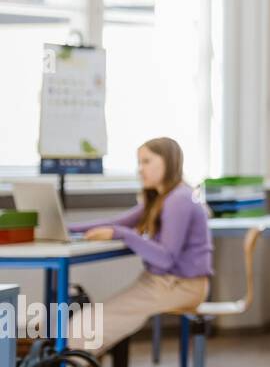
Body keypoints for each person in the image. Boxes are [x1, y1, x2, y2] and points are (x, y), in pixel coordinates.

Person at [68, 137, 211, 355]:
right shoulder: (162, 197)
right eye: (139, 162)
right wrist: (67, 229)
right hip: (161, 283)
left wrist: (122, 234)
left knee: (82, 327)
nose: (140, 169)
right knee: (84, 325)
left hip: (179, 286)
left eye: (146, 161)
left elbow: (165, 258)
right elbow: (116, 223)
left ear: (168, 162)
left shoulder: (179, 200)